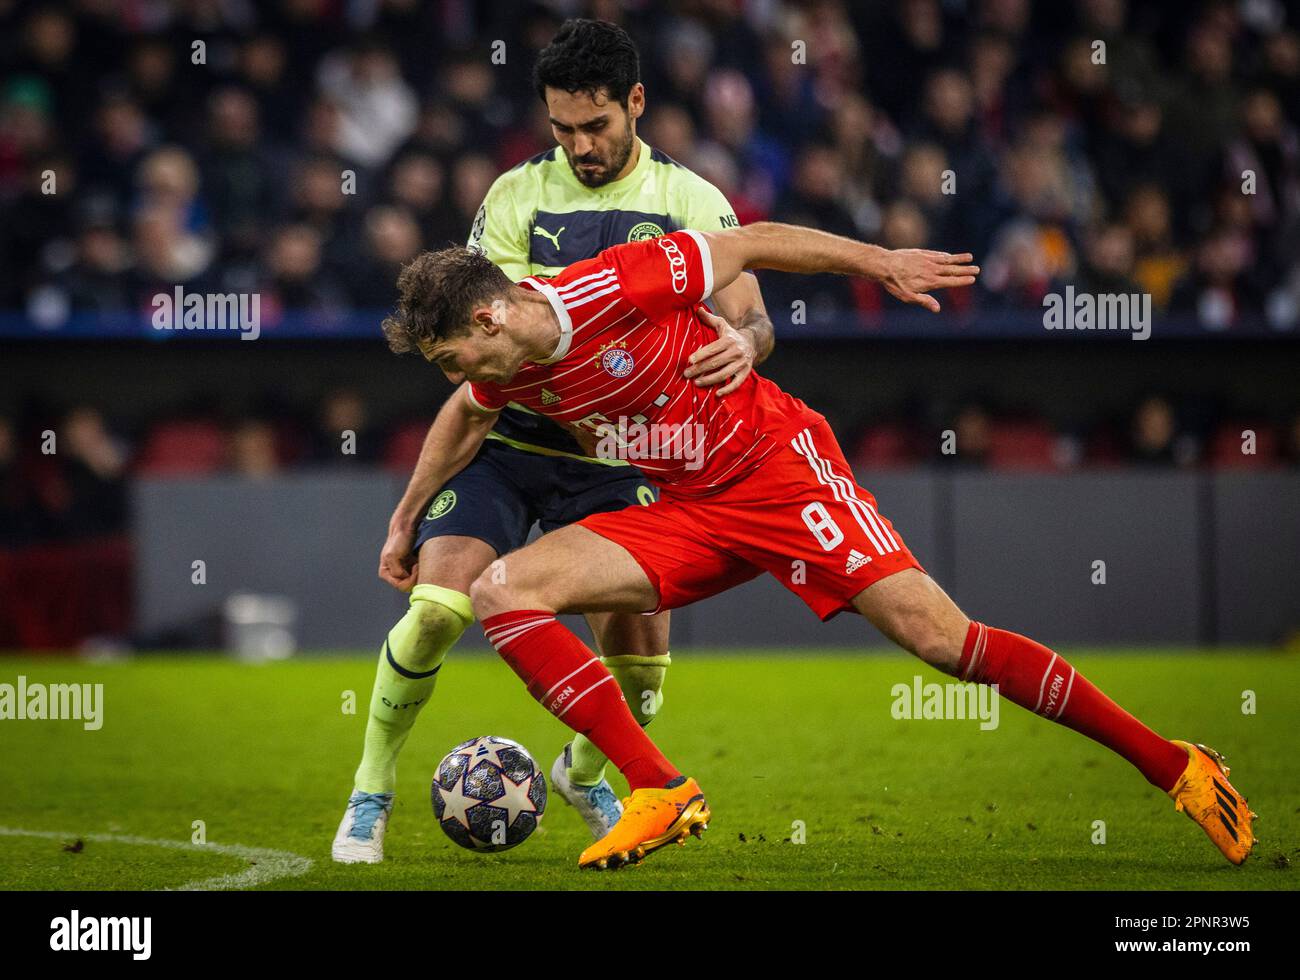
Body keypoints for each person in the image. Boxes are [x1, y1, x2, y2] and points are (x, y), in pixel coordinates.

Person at [381, 220, 1256, 871]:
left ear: (493, 318)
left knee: (944, 643)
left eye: (455, 355)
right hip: (690, 504)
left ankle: (1173, 763)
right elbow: (465, 415)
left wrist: (883, 263)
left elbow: (751, 241)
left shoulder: (613, 283)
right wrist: (407, 518)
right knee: (501, 590)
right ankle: (661, 787)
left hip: (781, 475)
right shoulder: (504, 362)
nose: (457, 375)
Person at [333, 19, 773, 863]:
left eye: (596, 126)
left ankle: (581, 772)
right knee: (436, 609)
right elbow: (479, 372)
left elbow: (755, 318)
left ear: (636, 103)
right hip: (514, 444)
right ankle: (370, 790)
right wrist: (406, 517)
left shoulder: (690, 201)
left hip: (627, 462)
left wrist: (742, 346)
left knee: (642, 673)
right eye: (563, 128)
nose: (580, 145)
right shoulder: (513, 198)